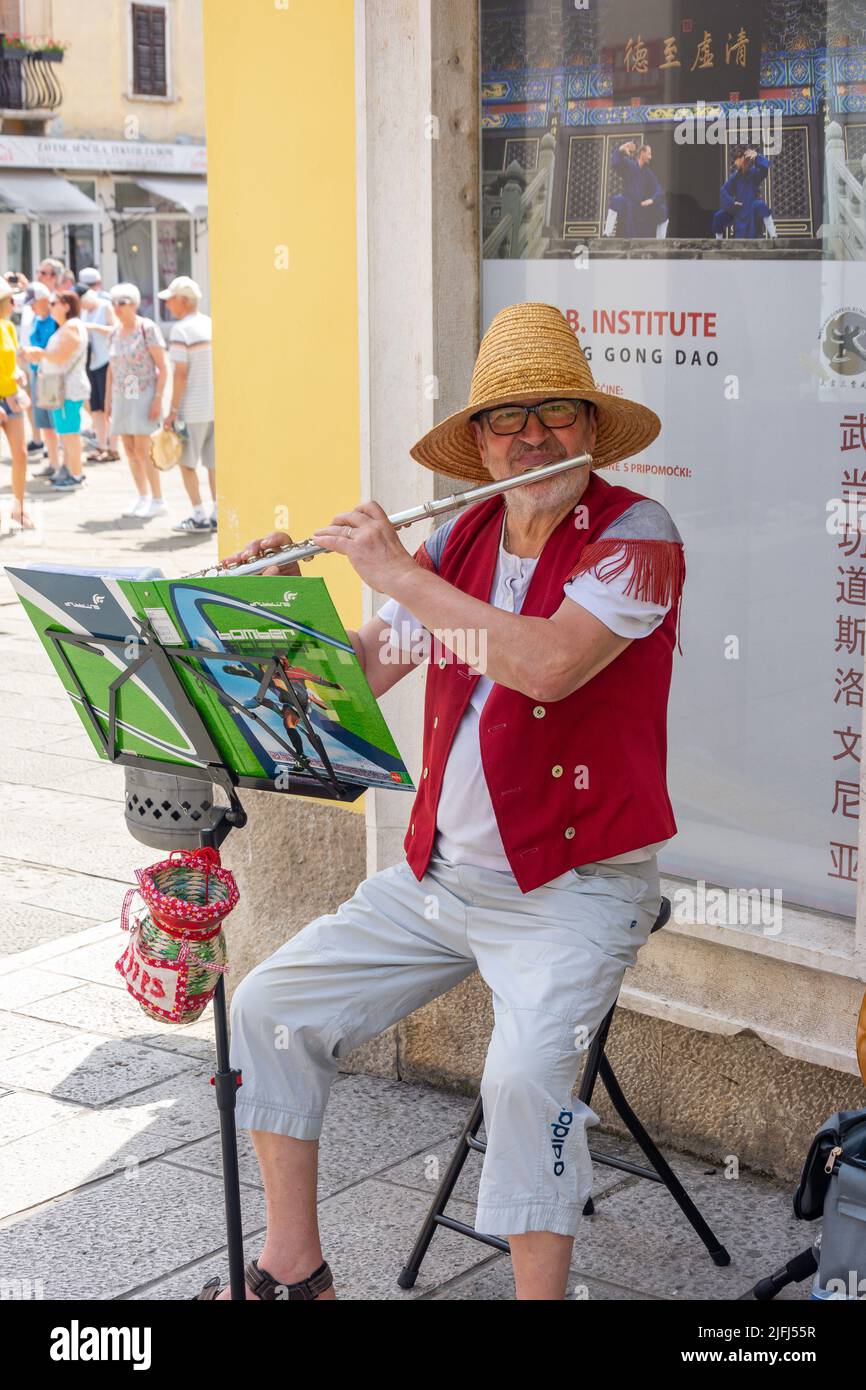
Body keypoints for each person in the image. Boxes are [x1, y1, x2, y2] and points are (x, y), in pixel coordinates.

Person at [199, 302, 686, 1302]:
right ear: (477, 443)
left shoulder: (637, 535)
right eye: (506, 421)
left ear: (590, 430)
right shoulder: (462, 537)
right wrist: (277, 607)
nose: (532, 438)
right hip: (440, 876)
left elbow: (547, 665)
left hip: (576, 885)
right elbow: (354, 679)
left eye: (556, 414)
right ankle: (296, 1271)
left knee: (521, 1085)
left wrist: (392, 573)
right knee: (270, 1008)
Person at [158, 275, 216, 532]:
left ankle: (198, 514)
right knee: (214, 463)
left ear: (183, 300)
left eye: (170, 300)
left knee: (187, 463)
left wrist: (171, 411)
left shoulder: (181, 330)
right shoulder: (212, 324)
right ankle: (217, 512)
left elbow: (180, 373)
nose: (168, 305)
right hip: (215, 407)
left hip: (191, 409)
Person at [105, 282, 168, 518]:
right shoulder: (114, 332)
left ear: (133, 304)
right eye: (114, 303)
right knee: (130, 449)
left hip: (143, 391)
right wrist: (108, 400)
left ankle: (158, 498)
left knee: (144, 449)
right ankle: (142, 495)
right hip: (123, 393)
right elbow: (111, 369)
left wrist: (158, 399)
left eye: (122, 302)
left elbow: (162, 366)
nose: (117, 307)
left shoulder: (147, 328)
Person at [24, 290, 90, 490]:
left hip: (67, 389)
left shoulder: (70, 327)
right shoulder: (69, 326)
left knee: (70, 433)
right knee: (67, 432)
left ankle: (76, 475)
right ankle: (71, 470)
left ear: (67, 306)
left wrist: (39, 353)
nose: (50, 307)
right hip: (65, 388)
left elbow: (61, 356)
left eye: (54, 303)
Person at [16, 281, 60, 475]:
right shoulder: (36, 319)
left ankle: (61, 465)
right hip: (37, 373)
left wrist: (36, 353)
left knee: (55, 422)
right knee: (45, 423)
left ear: (44, 299)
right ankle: (53, 463)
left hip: (51, 376)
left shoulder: (55, 319)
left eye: (34, 302)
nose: (32, 306)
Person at [0, 278, 34, 528]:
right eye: (11, 300)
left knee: (21, 454)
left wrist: (18, 375)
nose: (14, 304)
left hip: (11, 397)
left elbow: (10, 365)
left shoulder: (8, 327)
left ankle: (18, 508)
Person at [79, 282, 119, 461]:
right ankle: (101, 445)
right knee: (95, 408)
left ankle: (113, 447)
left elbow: (115, 329)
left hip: (106, 362)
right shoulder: (85, 313)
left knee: (107, 406)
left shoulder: (105, 307)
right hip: (91, 363)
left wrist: (93, 328)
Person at [603, 140, 668, 239]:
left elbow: (658, 189)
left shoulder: (648, 173)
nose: (650, 157)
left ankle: (660, 240)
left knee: (663, 210)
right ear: (642, 152)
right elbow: (616, 163)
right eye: (649, 154)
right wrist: (621, 149)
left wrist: (651, 200)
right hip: (627, 203)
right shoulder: (629, 165)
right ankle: (606, 234)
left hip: (641, 207)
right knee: (616, 200)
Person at [712, 146, 776, 240]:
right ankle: (719, 241)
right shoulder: (735, 177)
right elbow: (723, 190)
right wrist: (732, 202)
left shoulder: (754, 173)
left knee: (761, 205)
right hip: (739, 208)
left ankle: (774, 235)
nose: (740, 163)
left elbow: (764, 168)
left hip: (751, 207)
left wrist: (757, 157)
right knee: (718, 216)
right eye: (738, 160)